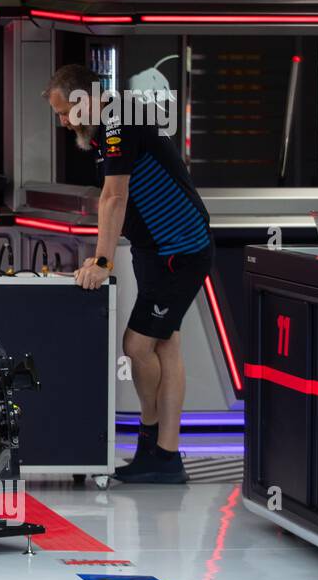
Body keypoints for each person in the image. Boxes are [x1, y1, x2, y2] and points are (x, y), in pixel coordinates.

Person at [44, 63, 212, 484]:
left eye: (66, 112)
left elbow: (113, 197)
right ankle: (165, 457)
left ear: (86, 98)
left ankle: (151, 437)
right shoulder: (108, 124)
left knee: (137, 346)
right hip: (154, 250)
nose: (64, 122)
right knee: (166, 346)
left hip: (180, 250)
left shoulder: (119, 119)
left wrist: (101, 262)